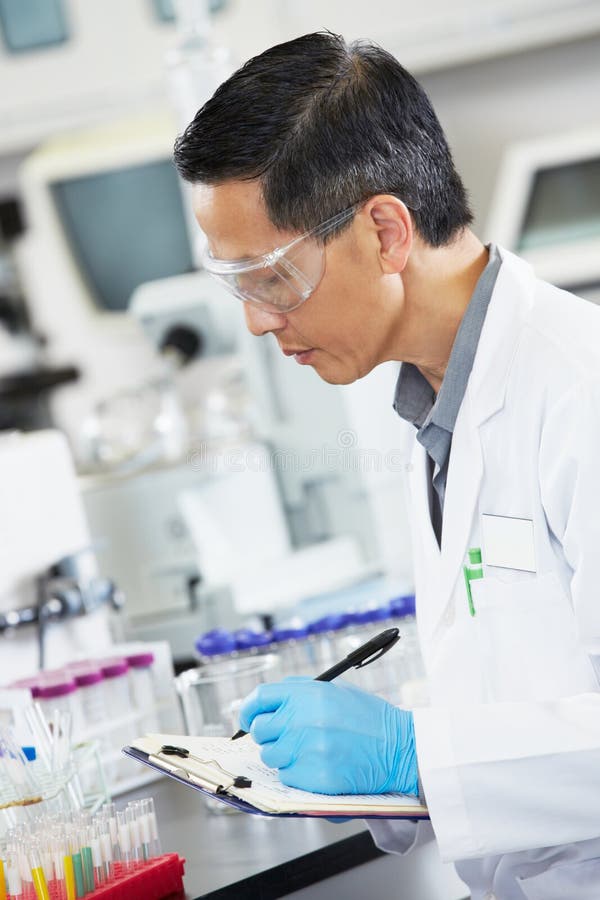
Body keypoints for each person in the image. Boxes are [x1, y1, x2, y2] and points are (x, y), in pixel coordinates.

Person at [173, 31, 600, 900]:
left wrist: (412, 753)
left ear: (384, 231)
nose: (259, 321)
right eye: (239, 286)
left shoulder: (577, 389)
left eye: (272, 277)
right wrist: (365, 773)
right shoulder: (433, 403)